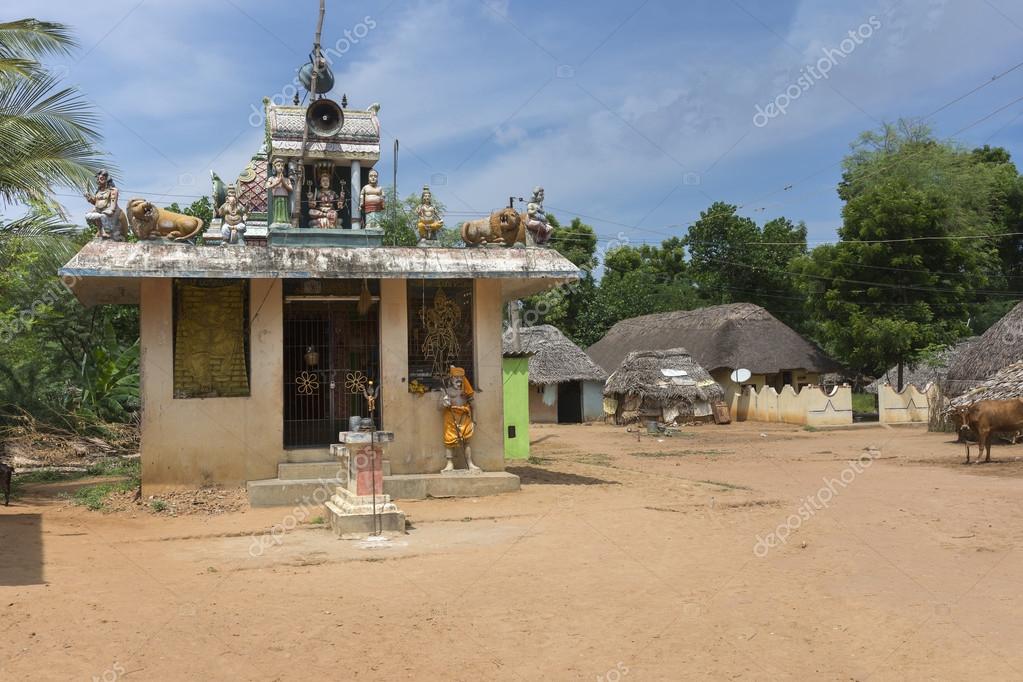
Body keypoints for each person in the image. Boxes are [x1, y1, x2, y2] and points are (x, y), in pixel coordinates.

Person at [440, 366, 480, 473]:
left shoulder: (466, 391)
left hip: (464, 418)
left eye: (460, 377)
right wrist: (444, 403)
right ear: (451, 378)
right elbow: (439, 407)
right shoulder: (446, 391)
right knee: (449, 441)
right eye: (456, 377)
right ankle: (449, 464)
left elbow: (473, 406)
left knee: (467, 441)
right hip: (451, 418)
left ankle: (470, 463)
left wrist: (474, 420)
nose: (458, 379)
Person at [84, 169, 125, 240]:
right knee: (88, 216)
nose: (99, 180)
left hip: (109, 212)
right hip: (99, 212)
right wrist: (89, 198)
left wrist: (111, 210)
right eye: (98, 179)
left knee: (103, 216)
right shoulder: (98, 192)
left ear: (106, 179)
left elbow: (113, 202)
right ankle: (100, 231)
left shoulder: (113, 190)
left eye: (101, 178)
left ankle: (106, 231)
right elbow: (96, 203)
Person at [266, 157, 293, 226]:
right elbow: (267, 186)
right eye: (278, 165)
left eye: (282, 166)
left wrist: (283, 182)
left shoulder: (287, 179)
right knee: (277, 210)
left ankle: (285, 221)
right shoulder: (272, 178)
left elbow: (291, 189)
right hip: (276, 197)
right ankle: (277, 221)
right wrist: (277, 183)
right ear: (274, 168)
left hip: (284, 197)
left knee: (284, 210)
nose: (281, 167)